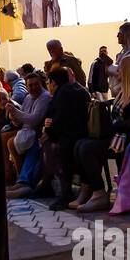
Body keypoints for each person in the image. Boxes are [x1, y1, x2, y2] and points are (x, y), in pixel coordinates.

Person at [72, 55, 130, 213]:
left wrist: (113, 126)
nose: (118, 72)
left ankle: (98, 194)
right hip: (118, 135)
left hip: (128, 139)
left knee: (87, 149)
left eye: (121, 69)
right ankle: (89, 189)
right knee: (79, 144)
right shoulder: (125, 91)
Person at [40, 67, 91, 206]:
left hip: (71, 137)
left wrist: (48, 131)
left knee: (53, 147)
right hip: (81, 133)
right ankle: (48, 185)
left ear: (54, 82)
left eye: (48, 82)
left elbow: (59, 121)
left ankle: (65, 192)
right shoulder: (77, 90)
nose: (48, 86)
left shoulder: (62, 94)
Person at [5, 70, 52, 196]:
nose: (33, 87)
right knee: (9, 142)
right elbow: (22, 120)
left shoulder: (45, 97)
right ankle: (20, 179)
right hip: (28, 131)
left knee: (33, 144)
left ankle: (24, 181)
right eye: (30, 85)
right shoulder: (28, 97)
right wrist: (13, 115)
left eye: (36, 84)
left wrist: (16, 112)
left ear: (41, 84)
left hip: (38, 132)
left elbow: (34, 119)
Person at [108, 22, 130, 96]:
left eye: (119, 33)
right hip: (121, 93)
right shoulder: (123, 53)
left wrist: (109, 67)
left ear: (127, 34)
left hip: (129, 93)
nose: (117, 35)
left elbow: (123, 71)